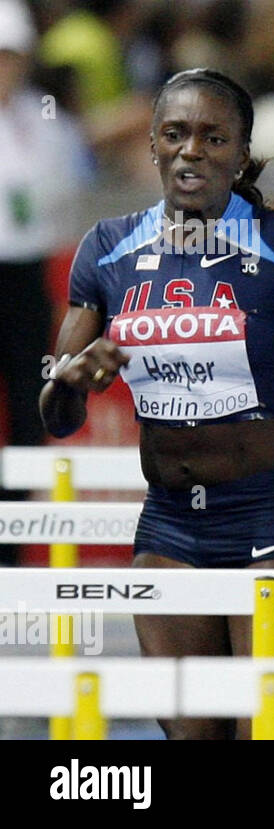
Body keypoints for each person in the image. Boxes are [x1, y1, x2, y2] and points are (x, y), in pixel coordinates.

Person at [39, 68, 274, 739]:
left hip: (267, 519)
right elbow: (58, 417)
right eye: (176, 135)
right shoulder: (107, 251)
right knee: (193, 735)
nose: (191, 152)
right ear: (152, 145)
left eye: (214, 138)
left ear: (240, 155)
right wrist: (69, 383)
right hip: (169, 527)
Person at [0, 0, 91, 566]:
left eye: (12, 56)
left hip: (27, 274)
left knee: (29, 405)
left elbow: (64, 199)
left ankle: (10, 542)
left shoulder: (42, 118)